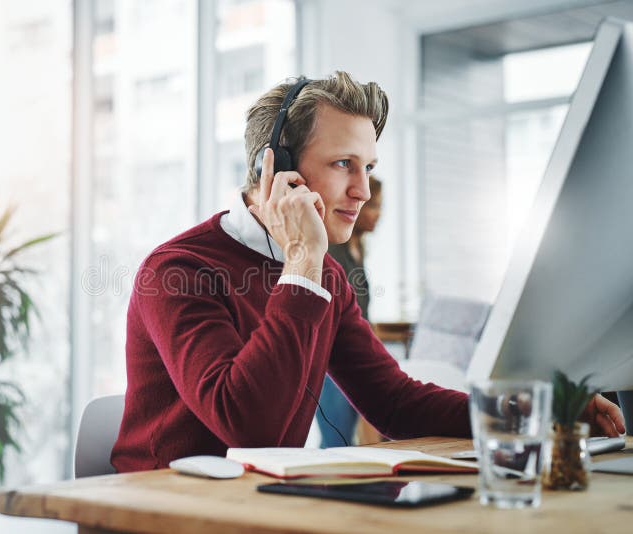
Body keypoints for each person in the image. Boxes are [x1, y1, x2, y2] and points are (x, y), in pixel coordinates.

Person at [110, 72, 625, 473]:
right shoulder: (178, 270)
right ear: (278, 168)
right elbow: (248, 426)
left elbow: (395, 402)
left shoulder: (326, 278)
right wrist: (304, 262)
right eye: (343, 164)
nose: (361, 190)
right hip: (163, 512)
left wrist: (540, 411)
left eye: (369, 167)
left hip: (256, 506)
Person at [315, 176, 382, 447]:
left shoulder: (358, 249)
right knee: (337, 440)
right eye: (374, 206)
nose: (379, 214)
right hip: (333, 361)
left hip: (358, 352)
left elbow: (363, 310)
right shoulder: (331, 249)